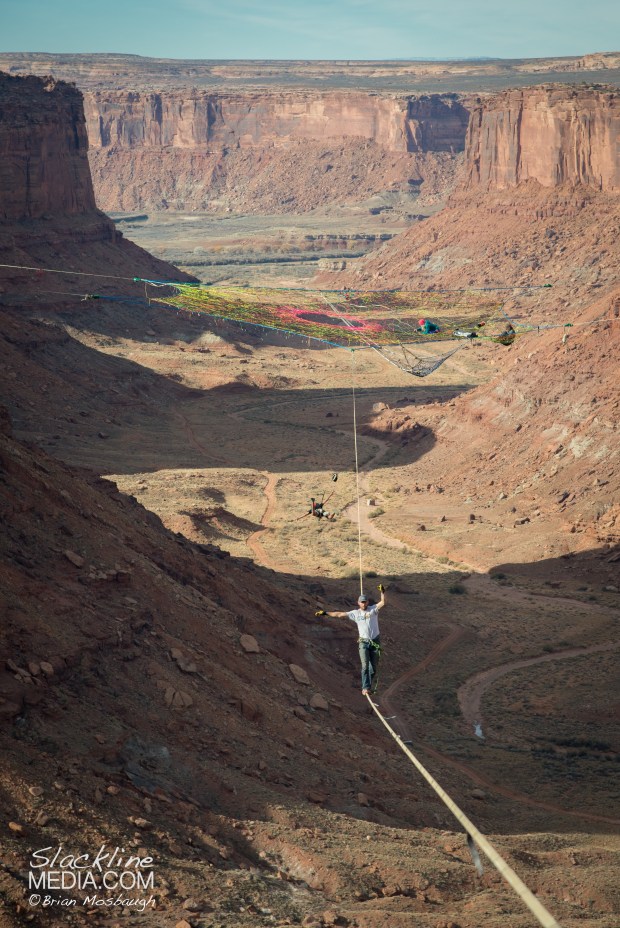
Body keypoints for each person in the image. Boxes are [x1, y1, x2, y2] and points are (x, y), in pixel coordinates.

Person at [315, 585, 385, 695]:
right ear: (358, 603)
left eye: (365, 602)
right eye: (361, 602)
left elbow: (382, 602)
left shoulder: (373, 609)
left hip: (375, 642)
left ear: (368, 602)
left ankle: (369, 686)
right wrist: (325, 613)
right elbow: (338, 614)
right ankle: (365, 687)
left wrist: (383, 592)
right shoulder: (355, 613)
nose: (363, 603)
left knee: (373, 668)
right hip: (364, 642)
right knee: (365, 665)